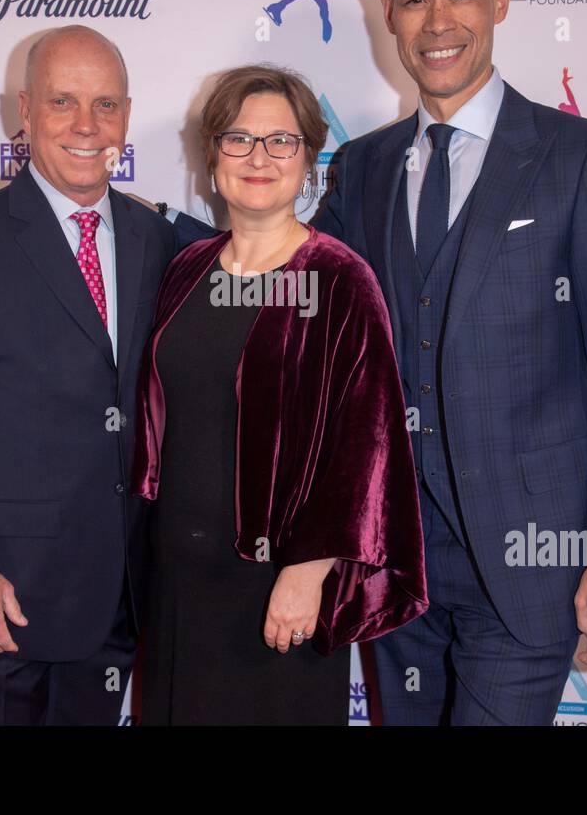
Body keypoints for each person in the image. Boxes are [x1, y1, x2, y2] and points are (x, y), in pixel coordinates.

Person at [162, 0, 587, 725]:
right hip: (395, 565)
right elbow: (282, 264)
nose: (438, 23)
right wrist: (140, 234)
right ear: (387, 11)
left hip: (532, 561)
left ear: (501, 0)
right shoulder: (363, 167)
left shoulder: (583, 158)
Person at [0, 25, 177, 724]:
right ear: (23, 110)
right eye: (63, 102)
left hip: (116, 600)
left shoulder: (157, 239)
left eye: (106, 105)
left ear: (128, 116)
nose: (87, 125)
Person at [131, 65, 427, 725]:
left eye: (281, 141)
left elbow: (368, 446)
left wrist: (306, 574)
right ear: (212, 158)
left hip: (277, 590)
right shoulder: (187, 270)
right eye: (238, 139)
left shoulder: (339, 279)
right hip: (178, 584)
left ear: (309, 159)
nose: (258, 158)